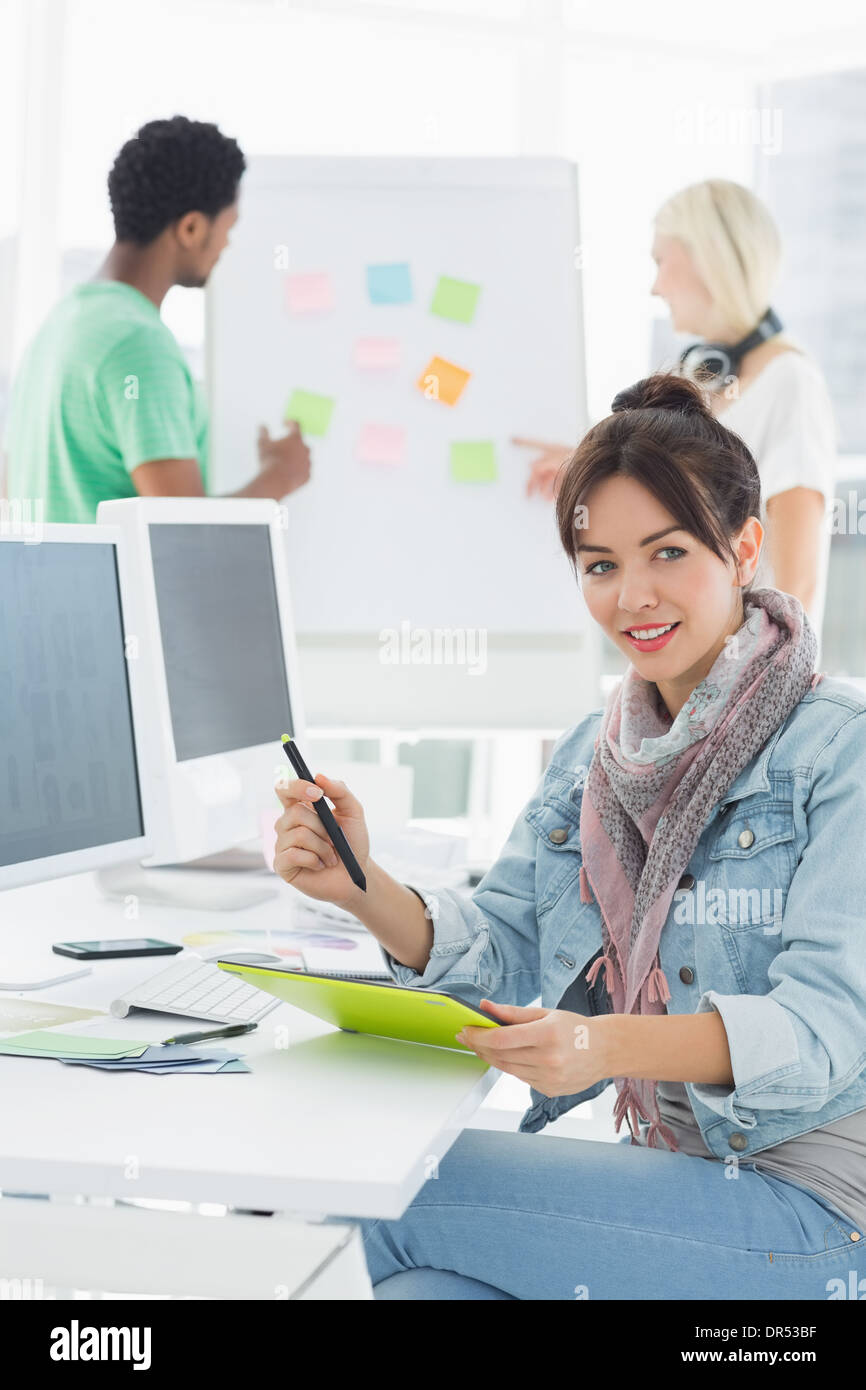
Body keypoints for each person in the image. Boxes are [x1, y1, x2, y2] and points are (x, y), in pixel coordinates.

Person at [273, 374, 866, 1300]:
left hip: (820, 1214)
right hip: (684, 1177)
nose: (633, 596)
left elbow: (822, 1033)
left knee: (365, 1198)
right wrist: (361, 887)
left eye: (668, 553)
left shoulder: (841, 748)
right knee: (418, 1295)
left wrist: (604, 1047)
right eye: (599, 565)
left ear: (744, 548)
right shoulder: (596, 755)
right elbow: (508, 951)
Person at [517, 179, 835, 652]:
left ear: (708, 258)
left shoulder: (790, 383)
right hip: (690, 669)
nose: (656, 285)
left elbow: (798, 583)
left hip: (748, 677)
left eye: (661, 261)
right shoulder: (698, 375)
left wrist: (758, 686)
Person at [3, 116, 310, 521]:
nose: (227, 244)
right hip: (107, 588)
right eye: (228, 227)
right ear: (191, 227)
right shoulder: (137, 344)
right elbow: (180, 537)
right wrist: (279, 477)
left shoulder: (65, 320)